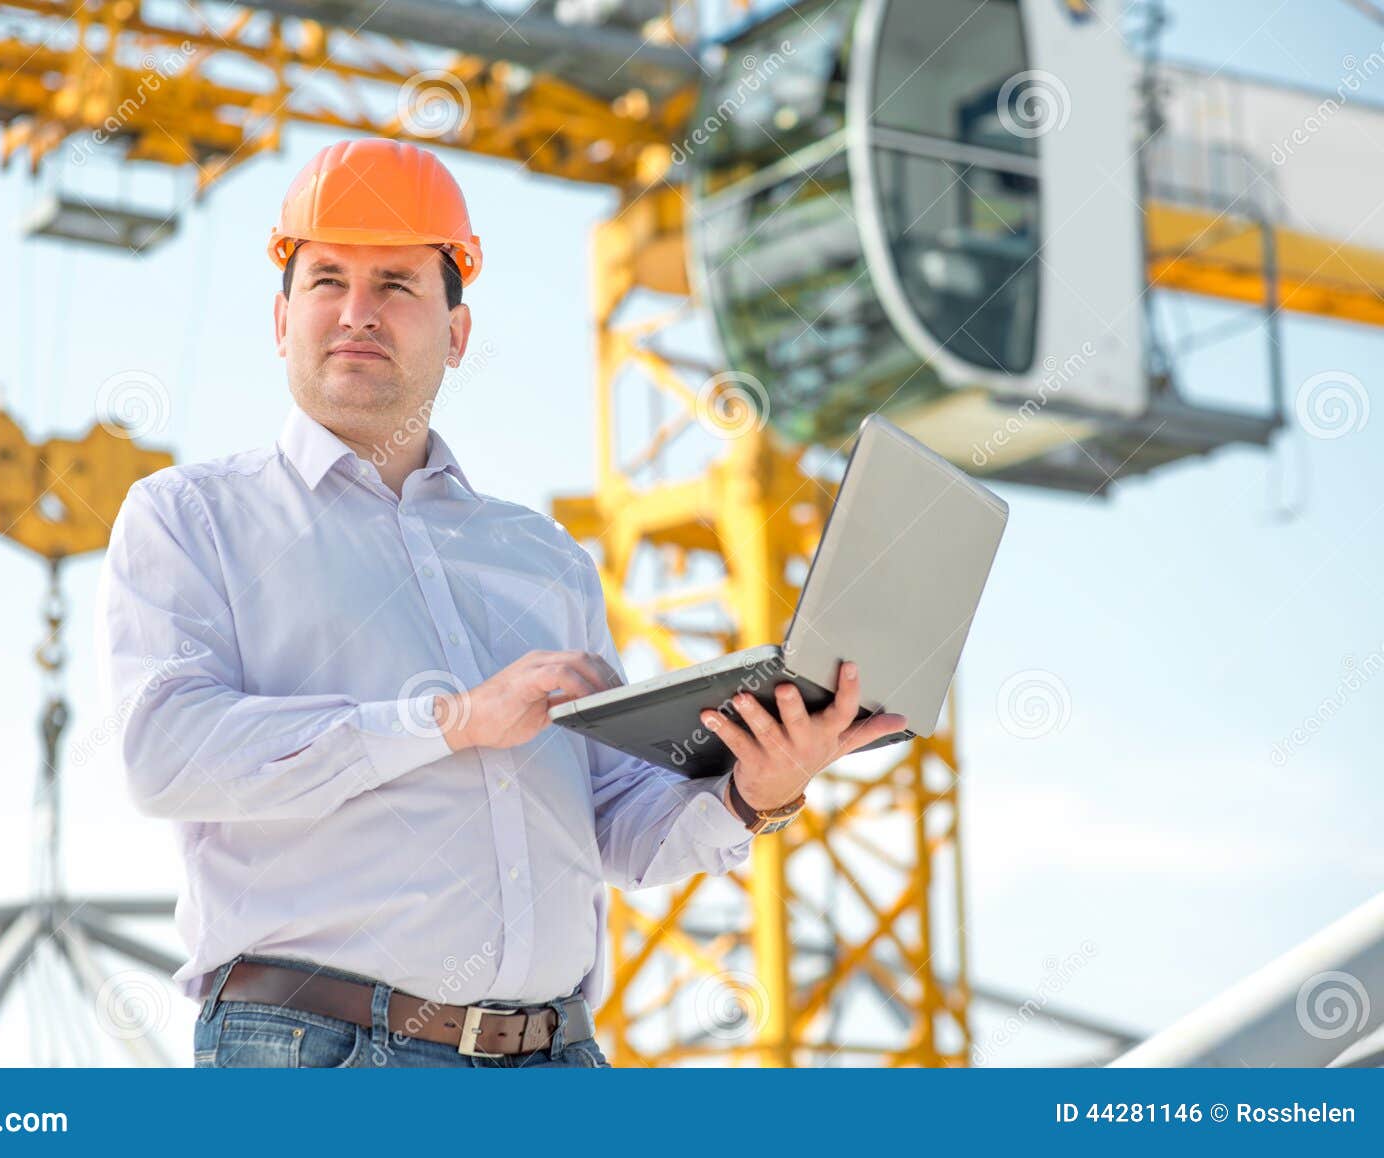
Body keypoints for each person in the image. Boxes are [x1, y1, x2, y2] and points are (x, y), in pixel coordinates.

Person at [94, 137, 908, 1069]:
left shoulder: (542, 560)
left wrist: (752, 796)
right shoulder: (193, 518)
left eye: (397, 284)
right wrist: (451, 721)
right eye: (327, 280)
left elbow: (612, 827)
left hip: (558, 1059)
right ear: (282, 320)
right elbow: (165, 755)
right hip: (319, 1057)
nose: (356, 313)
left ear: (457, 333)